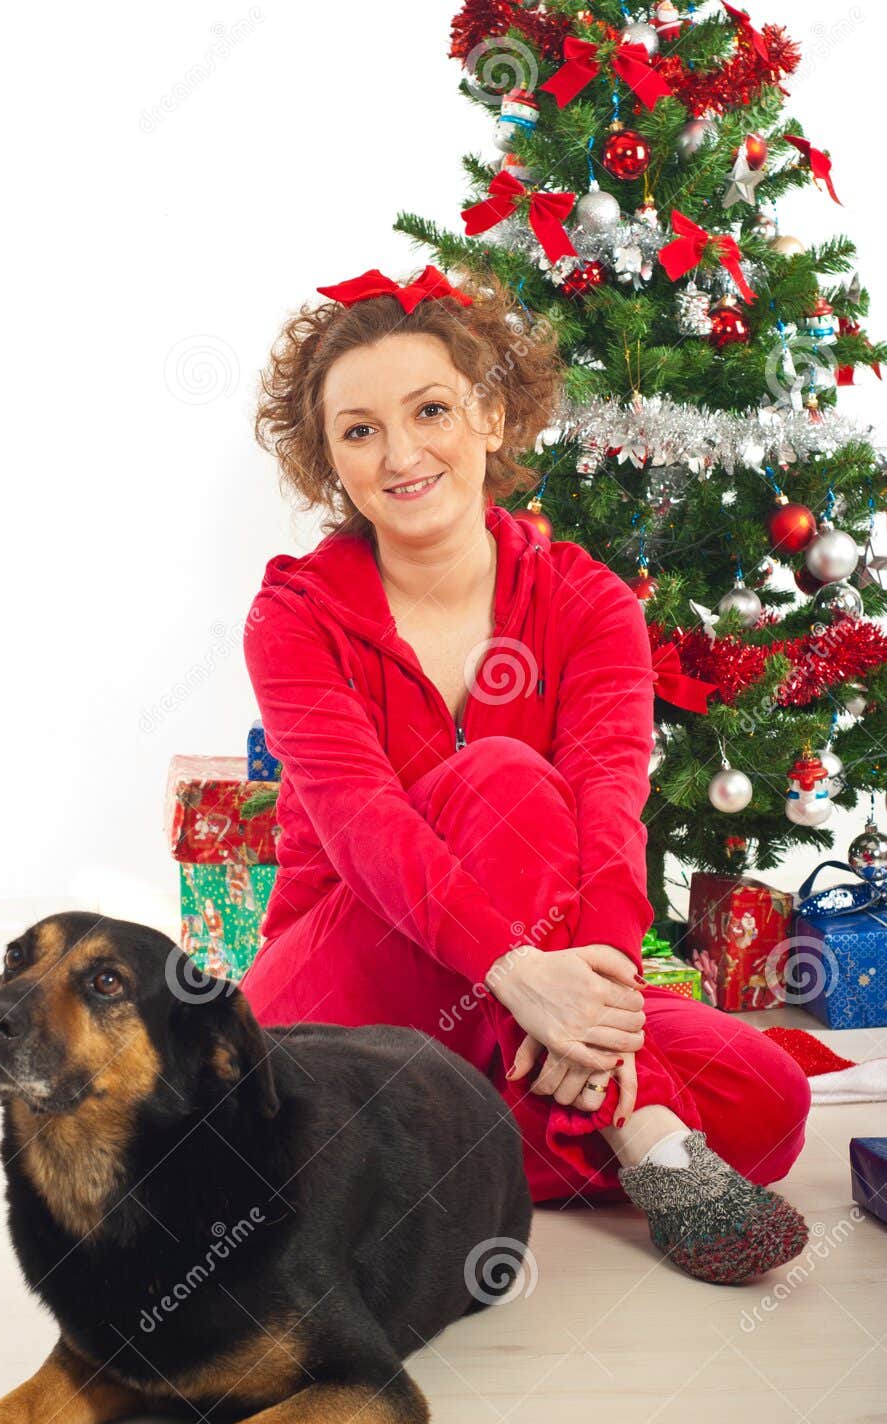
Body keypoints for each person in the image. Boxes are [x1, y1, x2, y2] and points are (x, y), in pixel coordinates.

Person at [239, 263, 811, 1286]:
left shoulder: (587, 604)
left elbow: (608, 812)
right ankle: (640, 1129)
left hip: (537, 983)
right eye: (359, 430)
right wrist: (517, 973)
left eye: (430, 411)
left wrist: (580, 984)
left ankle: (428, 1160)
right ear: (331, 461)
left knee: (773, 1100)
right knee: (499, 777)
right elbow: (367, 828)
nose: (401, 453)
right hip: (344, 982)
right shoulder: (295, 616)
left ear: (492, 414)